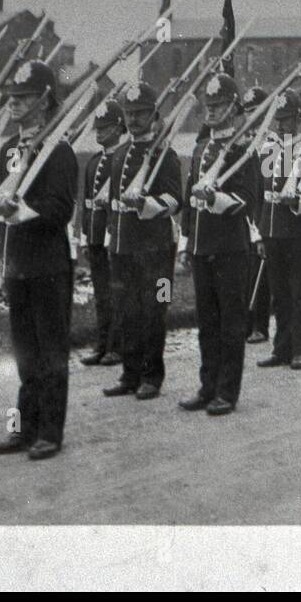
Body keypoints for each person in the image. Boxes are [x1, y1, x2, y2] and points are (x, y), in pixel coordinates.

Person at [0, 60, 78, 460]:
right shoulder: (9, 149)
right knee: (24, 355)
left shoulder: (58, 151)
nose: (14, 104)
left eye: (23, 97)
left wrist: (18, 210)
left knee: (50, 353)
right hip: (18, 263)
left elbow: (59, 209)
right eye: (11, 97)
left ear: (43, 101)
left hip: (49, 265)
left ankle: (49, 432)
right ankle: (22, 428)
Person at [177, 74, 261, 416]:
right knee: (207, 322)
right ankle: (207, 385)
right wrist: (186, 242)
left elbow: (248, 201)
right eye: (208, 106)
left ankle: (227, 391)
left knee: (231, 323)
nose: (211, 112)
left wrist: (216, 199)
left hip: (231, 246)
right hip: (201, 246)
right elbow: (187, 201)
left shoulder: (244, 151)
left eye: (218, 106)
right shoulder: (200, 149)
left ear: (233, 108)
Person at [103, 82, 181, 400]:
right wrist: (111, 236)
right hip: (123, 247)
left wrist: (147, 205)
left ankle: (152, 376)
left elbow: (176, 199)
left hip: (156, 249)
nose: (134, 120)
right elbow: (112, 201)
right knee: (127, 312)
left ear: (154, 115)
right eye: (129, 114)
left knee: (154, 310)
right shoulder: (120, 153)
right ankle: (130, 373)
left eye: (140, 114)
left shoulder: (166, 156)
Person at [256, 89, 301, 370]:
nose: (280, 126)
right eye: (277, 120)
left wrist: (298, 201)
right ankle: (281, 348)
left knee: (298, 294)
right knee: (279, 293)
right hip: (272, 230)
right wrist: (259, 232)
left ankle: (299, 350)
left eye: (286, 120)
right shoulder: (268, 149)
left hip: (298, 230)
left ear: (297, 119)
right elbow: (260, 192)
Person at [79, 100, 125, 366]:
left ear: (118, 129)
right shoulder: (94, 162)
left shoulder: (121, 159)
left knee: (116, 294)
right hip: (96, 237)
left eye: (105, 128)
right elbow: (88, 205)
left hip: (113, 237)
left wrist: (109, 236)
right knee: (101, 294)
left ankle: (116, 347)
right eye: (98, 127)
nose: (99, 132)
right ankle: (102, 343)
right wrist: (87, 237)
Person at [240, 85, 272, 345]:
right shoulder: (243, 142)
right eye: (247, 112)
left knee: (263, 277)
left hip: (263, 217)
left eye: (255, 111)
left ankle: (260, 326)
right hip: (244, 216)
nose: (250, 116)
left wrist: (259, 226)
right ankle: (247, 323)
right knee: (245, 274)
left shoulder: (272, 144)